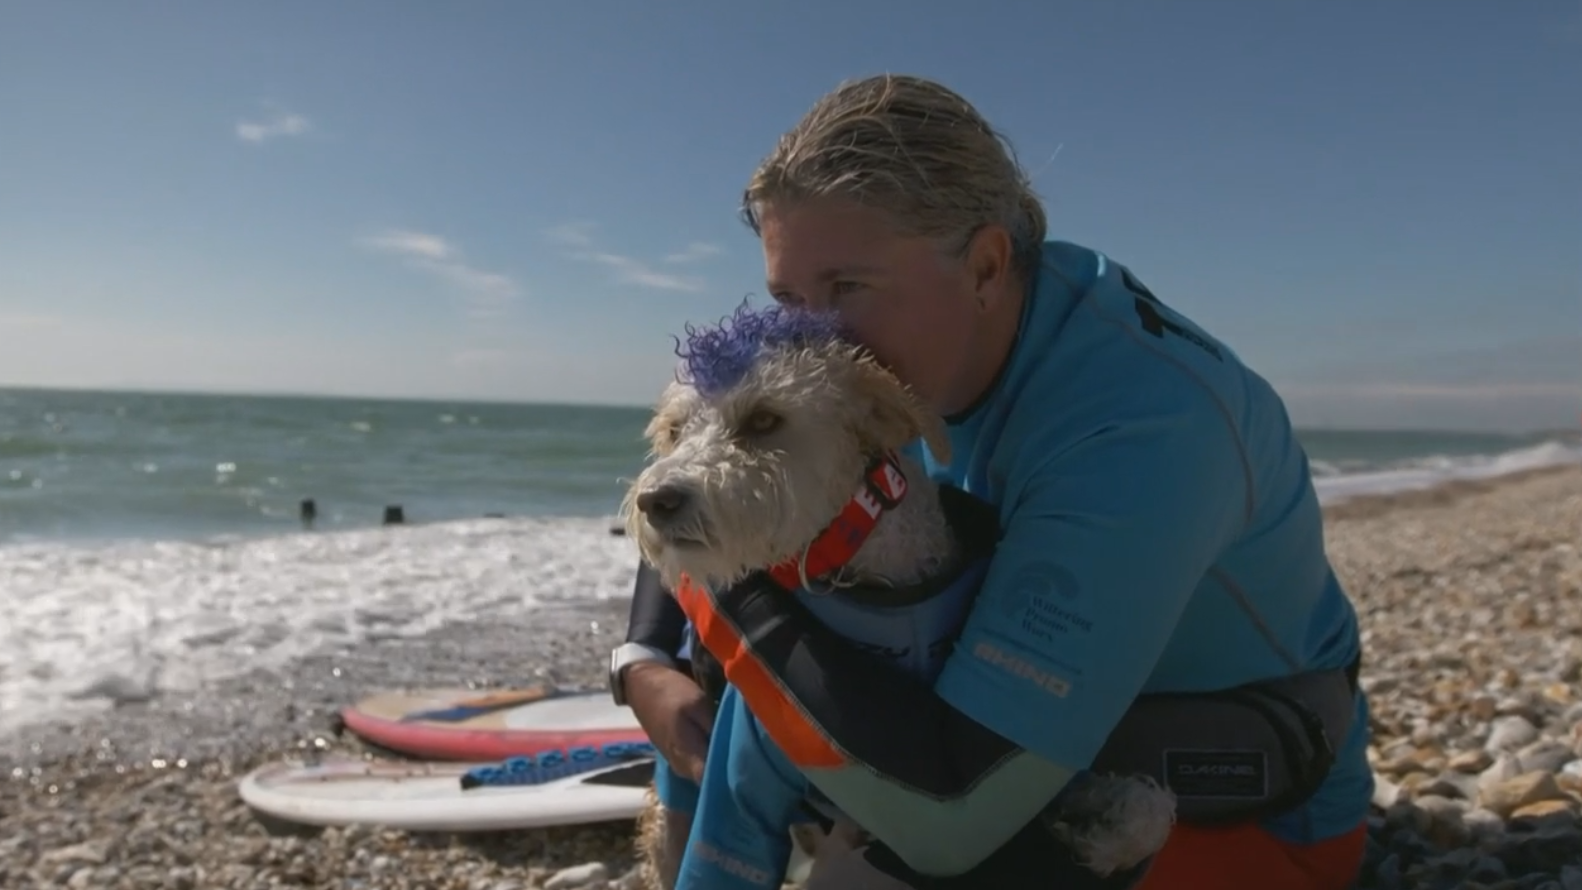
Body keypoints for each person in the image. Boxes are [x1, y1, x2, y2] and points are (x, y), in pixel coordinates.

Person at [612, 73, 1373, 890]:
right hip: (984, 744)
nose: (805, 338)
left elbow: (954, 820)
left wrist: (727, 607)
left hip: (1239, 819)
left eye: (847, 290)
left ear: (984, 265)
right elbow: (715, 484)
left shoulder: (1137, 429)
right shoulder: (926, 356)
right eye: (789, 297)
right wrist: (642, 658)